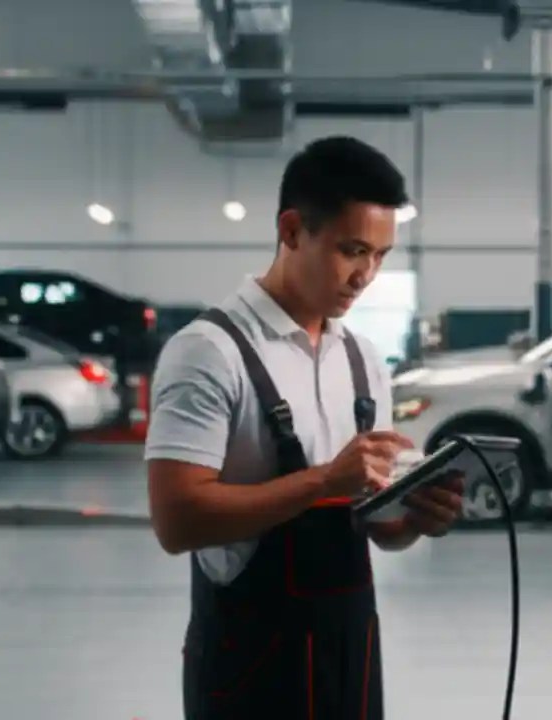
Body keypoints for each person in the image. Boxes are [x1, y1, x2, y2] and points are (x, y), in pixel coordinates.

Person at [144, 135, 465, 720]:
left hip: (349, 659)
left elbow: (374, 525)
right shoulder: (209, 353)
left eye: (381, 255)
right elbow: (176, 520)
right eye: (351, 250)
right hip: (248, 669)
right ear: (292, 231)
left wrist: (415, 518)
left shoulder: (363, 362)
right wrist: (322, 482)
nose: (366, 274)